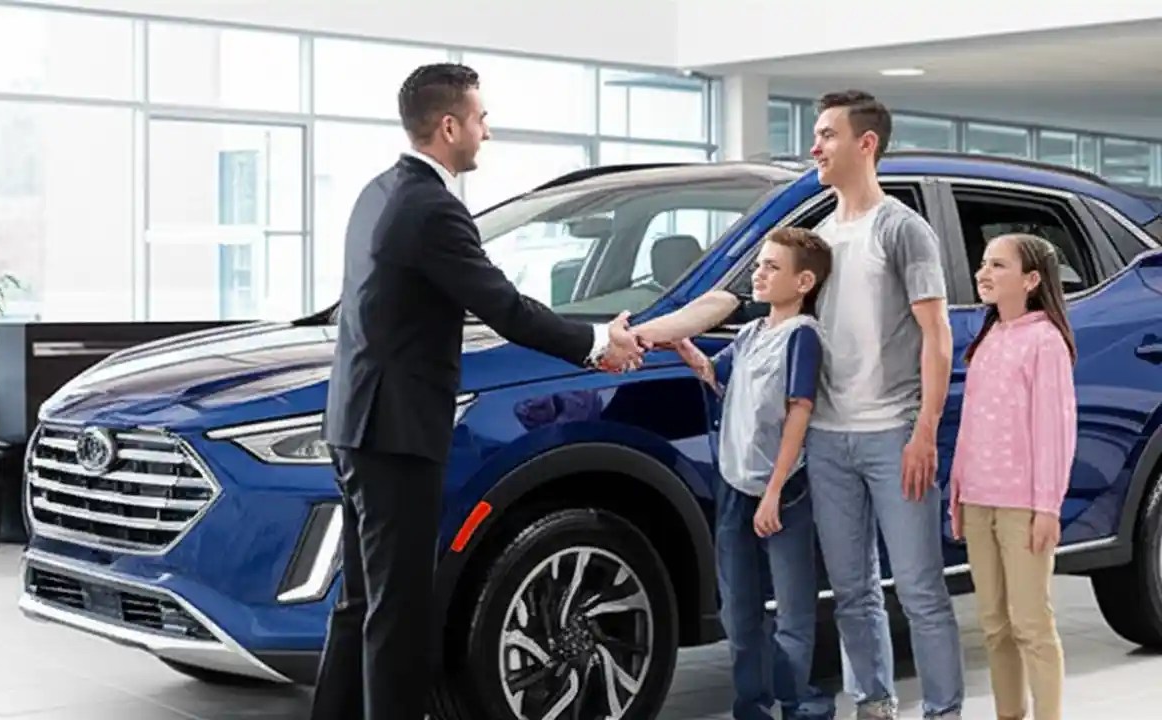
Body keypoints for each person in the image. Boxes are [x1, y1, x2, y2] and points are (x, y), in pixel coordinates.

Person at [313, 63, 644, 720]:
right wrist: (596, 342)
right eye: (481, 118)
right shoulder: (432, 207)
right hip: (398, 433)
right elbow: (504, 308)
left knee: (361, 605)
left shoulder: (381, 191)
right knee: (400, 614)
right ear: (449, 125)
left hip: (357, 424)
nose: (486, 133)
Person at [631, 89, 965, 719]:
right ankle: (874, 703)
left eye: (827, 135)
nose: (815, 146)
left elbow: (937, 335)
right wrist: (650, 333)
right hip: (827, 441)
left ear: (866, 145)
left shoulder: (902, 230)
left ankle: (943, 711)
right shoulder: (820, 240)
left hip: (893, 433)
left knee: (920, 589)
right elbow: (737, 304)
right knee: (853, 591)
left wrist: (925, 431)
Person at [672, 227, 836, 720]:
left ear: (804, 281)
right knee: (738, 612)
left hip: (782, 492)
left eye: (771, 267)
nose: (759, 274)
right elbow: (714, 374)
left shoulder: (803, 337)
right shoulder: (750, 334)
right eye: (760, 264)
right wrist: (676, 339)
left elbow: (799, 414)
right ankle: (753, 707)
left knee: (791, 610)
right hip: (734, 487)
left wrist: (774, 492)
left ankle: (798, 703)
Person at [949, 233, 1077, 720]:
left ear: (1030, 280)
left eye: (998, 266)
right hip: (979, 502)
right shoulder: (989, 340)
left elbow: (1055, 432)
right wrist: (958, 493)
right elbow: (972, 424)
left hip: (1024, 507)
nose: (984, 273)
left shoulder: (1046, 342)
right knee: (994, 624)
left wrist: (1048, 507)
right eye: (984, 264)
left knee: (1030, 624)